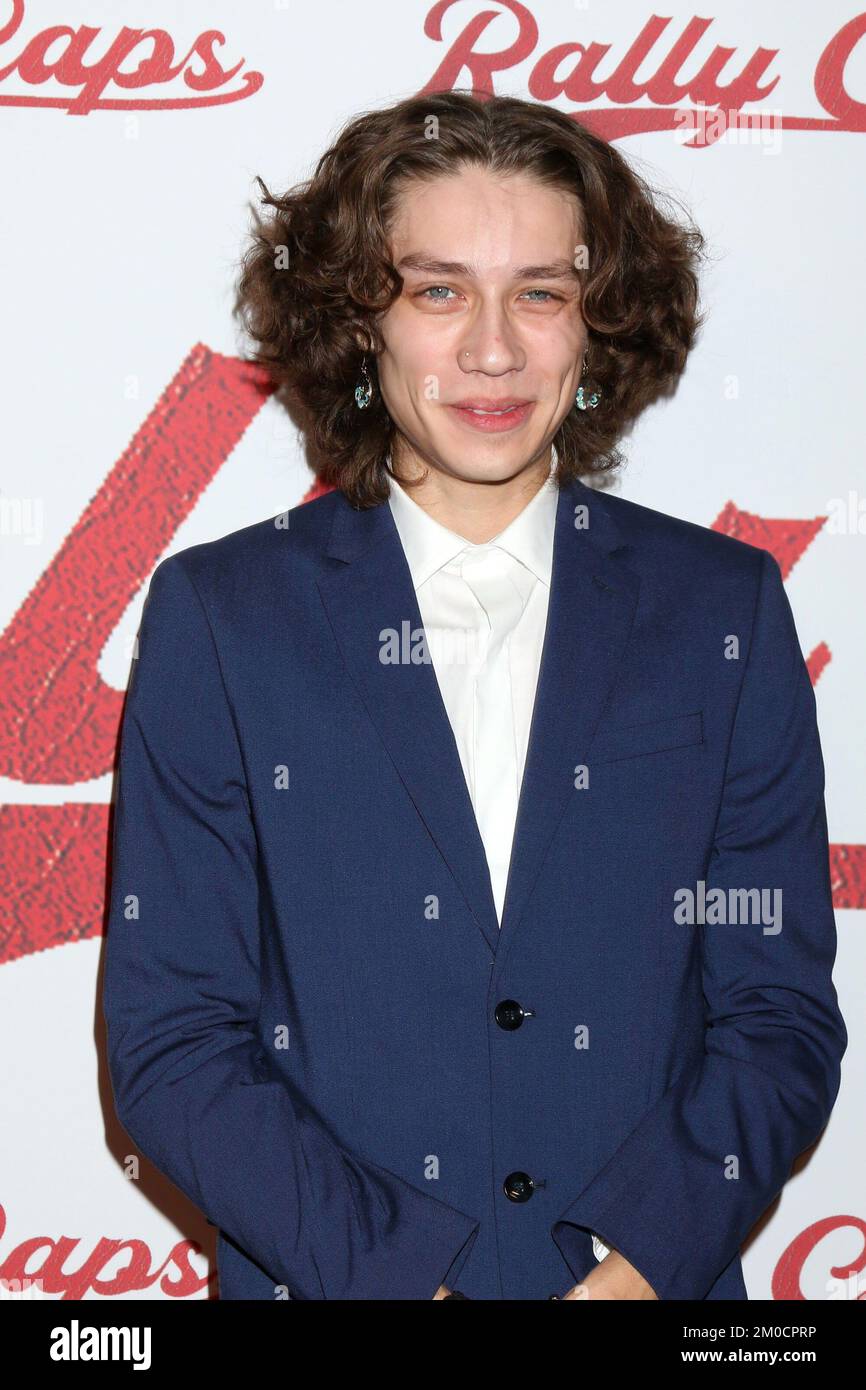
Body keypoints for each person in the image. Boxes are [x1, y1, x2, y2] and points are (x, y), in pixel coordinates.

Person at [102, 91, 847, 1300]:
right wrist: (403, 1282)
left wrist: (636, 1273)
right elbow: (173, 1036)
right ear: (361, 320)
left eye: (540, 292)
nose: (492, 350)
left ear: (596, 323)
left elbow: (776, 1013)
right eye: (437, 290)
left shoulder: (723, 608)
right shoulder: (223, 616)